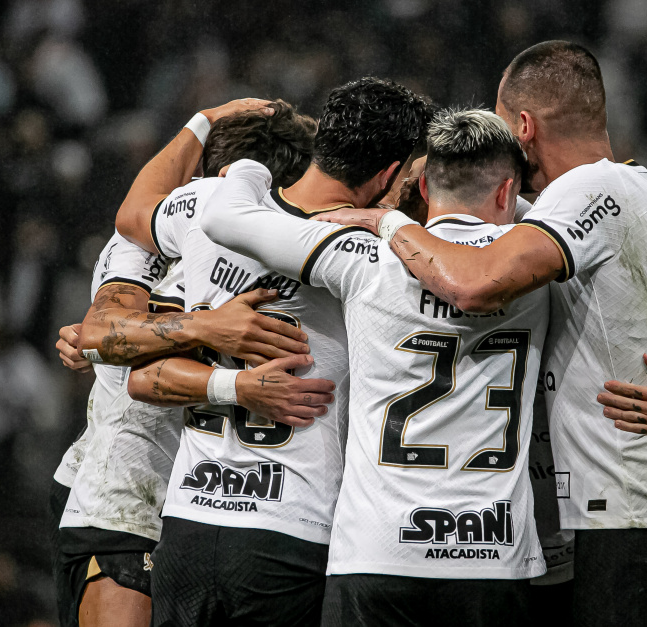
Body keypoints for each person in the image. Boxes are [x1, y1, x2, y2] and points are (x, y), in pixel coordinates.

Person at [317, 41, 647, 626]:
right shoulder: (629, 190)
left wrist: (385, 221)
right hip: (646, 515)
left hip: (644, 516)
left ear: (523, 124)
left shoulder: (583, 194)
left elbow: (473, 282)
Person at [203, 108, 551, 626]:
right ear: (505, 193)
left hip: (377, 553)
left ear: (426, 188)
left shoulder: (363, 257)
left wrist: (249, 170)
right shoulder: (541, 272)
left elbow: (223, 219)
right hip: (493, 554)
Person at [121, 77, 432, 627]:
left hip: (188, 523)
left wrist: (205, 121)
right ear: (388, 176)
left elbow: (134, 214)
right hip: (290, 531)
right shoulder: (372, 257)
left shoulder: (210, 204)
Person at [49, 98, 326, 627]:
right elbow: (101, 333)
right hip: (121, 504)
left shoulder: (279, 251)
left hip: (201, 511)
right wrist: (206, 328)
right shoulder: (143, 243)